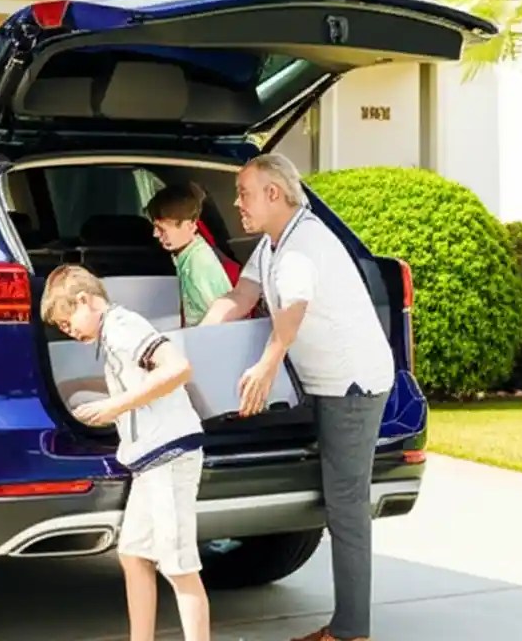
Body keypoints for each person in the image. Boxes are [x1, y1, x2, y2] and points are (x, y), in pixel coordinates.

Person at [200, 153, 395, 641]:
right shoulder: (272, 245)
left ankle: (352, 632)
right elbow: (240, 297)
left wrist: (267, 364)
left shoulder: (303, 245)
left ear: (274, 193)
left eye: (244, 192)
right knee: (336, 497)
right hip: (321, 382)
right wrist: (190, 345)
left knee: (346, 506)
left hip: (351, 384)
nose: (237, 203)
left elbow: (294, 309)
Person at [39, 264, 211, 641]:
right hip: (149, 460)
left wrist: (114, 407)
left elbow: (177, 367)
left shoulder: (123, 328)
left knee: (178, 564)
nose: (69, 332)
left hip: (168, 454)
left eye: (69, 322)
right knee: (133, 553)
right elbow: (139, 378)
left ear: (85, 300)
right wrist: (89, 389)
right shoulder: (113, 336)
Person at [146, 183, 235, 326]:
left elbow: (221, 319)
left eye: (161, 229)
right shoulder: (188, 255)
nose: (155, 234)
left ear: (190, 226)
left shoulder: (198, 265)